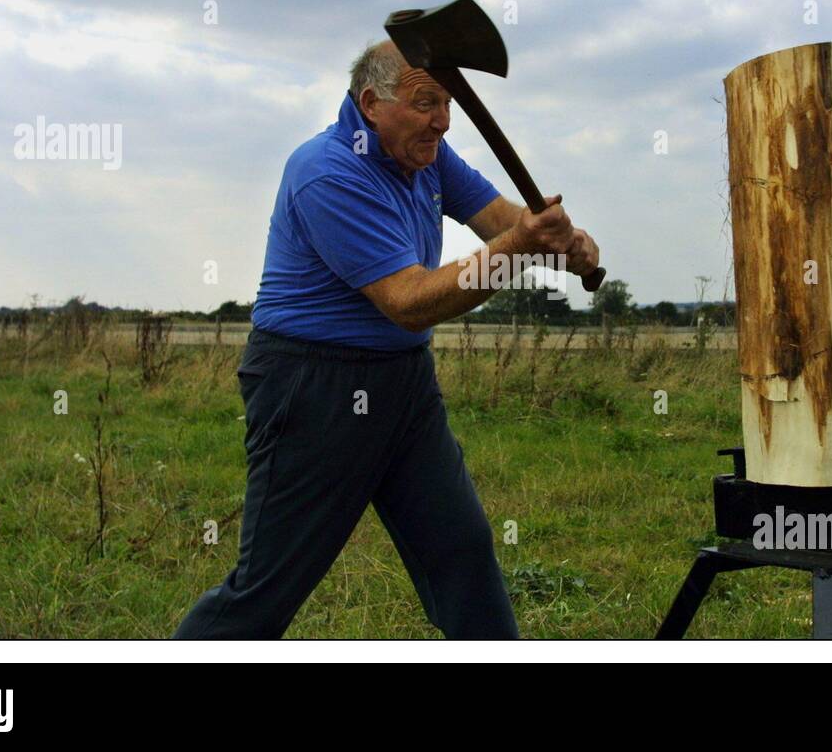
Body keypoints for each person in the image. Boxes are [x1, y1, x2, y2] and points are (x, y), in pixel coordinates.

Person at [172, 40, 601, 639]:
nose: (442, 121)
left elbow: (503, 219)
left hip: (403, 382)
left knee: (461, 551)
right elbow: (410, 301)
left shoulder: (425, 155)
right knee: (270, 584)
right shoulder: (326, 171)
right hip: (313, 386)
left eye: (447, 103)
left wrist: (562, 240)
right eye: (426, 102)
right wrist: (520, 250)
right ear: (372, 103)